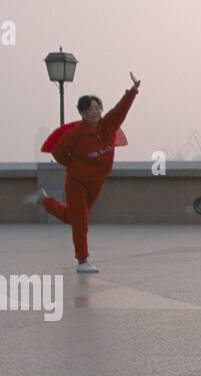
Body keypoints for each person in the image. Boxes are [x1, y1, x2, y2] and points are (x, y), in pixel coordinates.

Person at [27, 73, 141, 274]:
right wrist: (74, 165)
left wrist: (132, 91)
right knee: (81, 222)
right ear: (82, 113)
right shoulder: (74, 135)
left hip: (97, 182)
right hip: (77, 183)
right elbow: (59, 152)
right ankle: (82, 261)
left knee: (74, 218)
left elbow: (120, 111)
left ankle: (44, 201)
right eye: (90, 109)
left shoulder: (108, 127)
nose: (95, 112)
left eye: (97, 108)